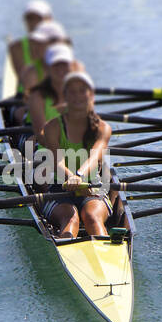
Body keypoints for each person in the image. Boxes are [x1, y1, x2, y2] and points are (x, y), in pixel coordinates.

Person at [37, 68, 115, 239]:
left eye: (82, 90)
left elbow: (95, 156)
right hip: (59, 188)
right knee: (71, 219)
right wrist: (70, 177)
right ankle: (68, 250)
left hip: (92, 185)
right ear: (64, 97)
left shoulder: (103, 128)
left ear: (91, 96)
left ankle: (105, 257)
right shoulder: (53, 127)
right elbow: (57, 160)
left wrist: (79, 176)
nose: (77, 96)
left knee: (92, 218)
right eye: (71, 92)